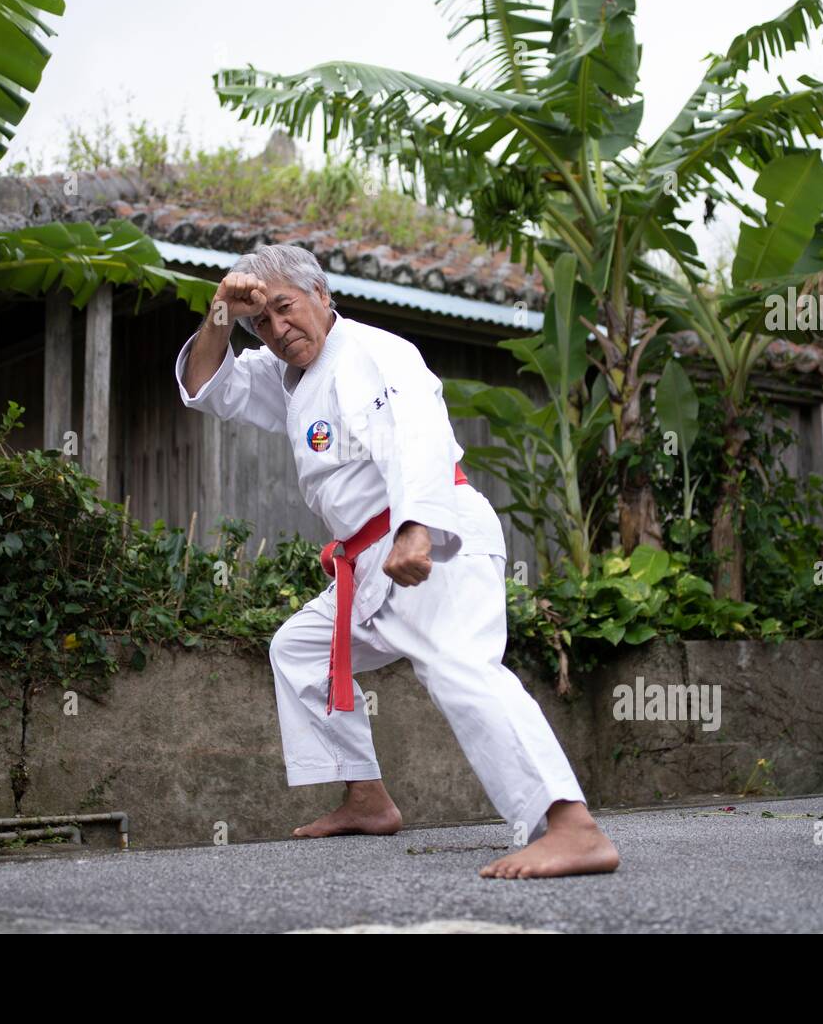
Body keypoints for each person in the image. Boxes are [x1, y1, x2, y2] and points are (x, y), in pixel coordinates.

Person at [174, 243, 619, 879]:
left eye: (285, 308)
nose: (277, 329)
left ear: (322, 295)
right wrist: (220, 310)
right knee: (299, 649)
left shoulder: (376, 353)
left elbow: (419, 434)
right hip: (369, 562)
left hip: (432, 535)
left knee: (461, 666)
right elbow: (205, 385)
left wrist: (417, 528)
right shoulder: (288, 375)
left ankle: (571, 825)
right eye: (261, 322)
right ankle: (366, 796)